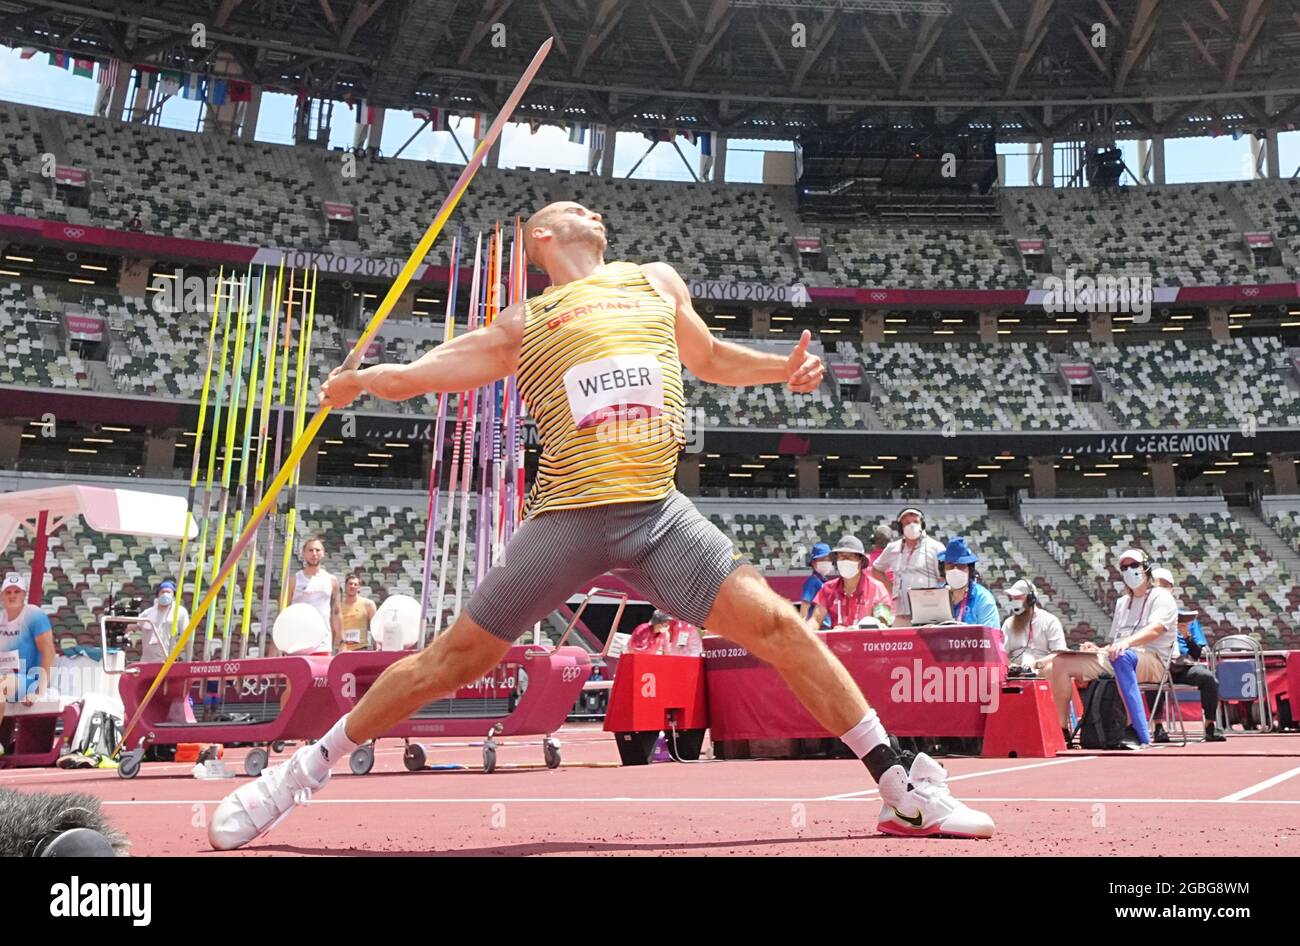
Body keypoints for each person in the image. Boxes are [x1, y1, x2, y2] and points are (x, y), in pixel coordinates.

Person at [208, 200, 993, 849]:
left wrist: (779, 369)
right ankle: (296, 776)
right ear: (538, 238)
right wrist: (363, 383)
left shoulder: (655, 281)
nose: (590, 207)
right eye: (566, 206)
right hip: (568, 519)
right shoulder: (529, 320)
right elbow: (428, 371)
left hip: (658, 513)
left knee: (782, 627)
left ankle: (899, 789)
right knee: (451, 659)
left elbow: (710, 356)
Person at [1039, 549, 1177, 748]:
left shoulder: (1161, 597)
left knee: (1123, 657)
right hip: (1119, 655)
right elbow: (1116, 642)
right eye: (1124, 567)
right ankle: (1062, 731)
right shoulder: (1122, 603)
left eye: (1134, 565)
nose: (1130, 570)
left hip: (1154, 660)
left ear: (1146, 567)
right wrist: (1097, 649)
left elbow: (1155, 629)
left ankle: (1134, 730)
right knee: (1061, 662)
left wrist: (1126, 643)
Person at [0, 573, 56, 757]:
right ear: (2, 596)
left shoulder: (33, 615)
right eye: (8, 592)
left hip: (29, 679)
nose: (12, 595)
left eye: (17, 591)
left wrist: (39, 690)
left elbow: (48, 651)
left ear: (24, 595)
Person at [1150, 607, 1226, 743]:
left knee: (1209, 679)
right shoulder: (1153, 618)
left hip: (1183, 666)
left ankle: (1210, 726)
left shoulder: (1189, 620)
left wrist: (1186, 635)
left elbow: (1196, 653)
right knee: (1151, 680)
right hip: (1160, 665)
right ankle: (1158, 727)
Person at [872, 507, 944, 624]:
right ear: (901, 527)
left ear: (922, 524)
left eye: (915, 521)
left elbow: (943, 579)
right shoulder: (892, 548)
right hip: (902, 614)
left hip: (930, 614)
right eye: (907, 522)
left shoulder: (936, 547)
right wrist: (891, 588)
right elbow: (876, 569)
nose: (911, 525)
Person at [806, 535, 893, 630]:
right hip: (836, 643)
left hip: (866, 642)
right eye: (841, 557)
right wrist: (806, 630)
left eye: (851, 556)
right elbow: (815, 619)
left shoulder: (877, 589)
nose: (845, 560)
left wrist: (851, 630)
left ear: (861, 561)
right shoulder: (828, 588)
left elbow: (882, 622)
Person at [290, 536, 342, 654]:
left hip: (322, 644)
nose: (314, 553)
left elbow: (336, 611)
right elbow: (283, 610)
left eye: (317, 550)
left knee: (321, 673)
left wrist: (341, 638)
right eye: (310, 550)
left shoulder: (331, 580)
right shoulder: (293, 581)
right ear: (303, 553)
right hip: (297, 642)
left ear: (323, 553)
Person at [1000, 578, 1066, 670]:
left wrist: (1036, 665)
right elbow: (1001, 654)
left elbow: (1059, 653)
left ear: (1031, 598)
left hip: (1044, 670)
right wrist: (1011, 666)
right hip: (1015, 672)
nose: (1014, 601)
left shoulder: (1050, 621)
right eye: (1013, 598)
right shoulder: (1008, 623)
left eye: (1018, 597)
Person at [937, 537, 1000, 628]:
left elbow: (990, 637)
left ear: (970, 569)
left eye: (961, 566)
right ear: (943, 570)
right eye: (950, 566)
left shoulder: (983, 599)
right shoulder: (936, 597)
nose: (955, 570)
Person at [136, 579, 191, 664]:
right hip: (147, 661)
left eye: (168, 592)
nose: (165, 594)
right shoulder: (148, 613)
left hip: (169, 661)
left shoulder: (180, 612)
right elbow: (135, 626)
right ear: (158, 595)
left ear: (173, 595)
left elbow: (186, 637)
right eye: (162, 592)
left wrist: (186, 660)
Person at [799, 542, 834, 628]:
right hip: (818, 626)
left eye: (828, 559)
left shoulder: (824, 582)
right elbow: (805, 605)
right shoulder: (812, 581)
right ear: (813, 562)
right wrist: (802, 627)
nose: (826, 562)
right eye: (822, 559)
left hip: (827, 625)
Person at [339, 574, 377, 653]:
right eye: (350, 584)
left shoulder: (368, 604)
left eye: (355, 584)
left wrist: (376, 644)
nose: (352, 586)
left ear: (359, 588)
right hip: (342, 649)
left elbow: (375, 627)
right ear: (345, 586)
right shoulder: (338, 607)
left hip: (361, 648)